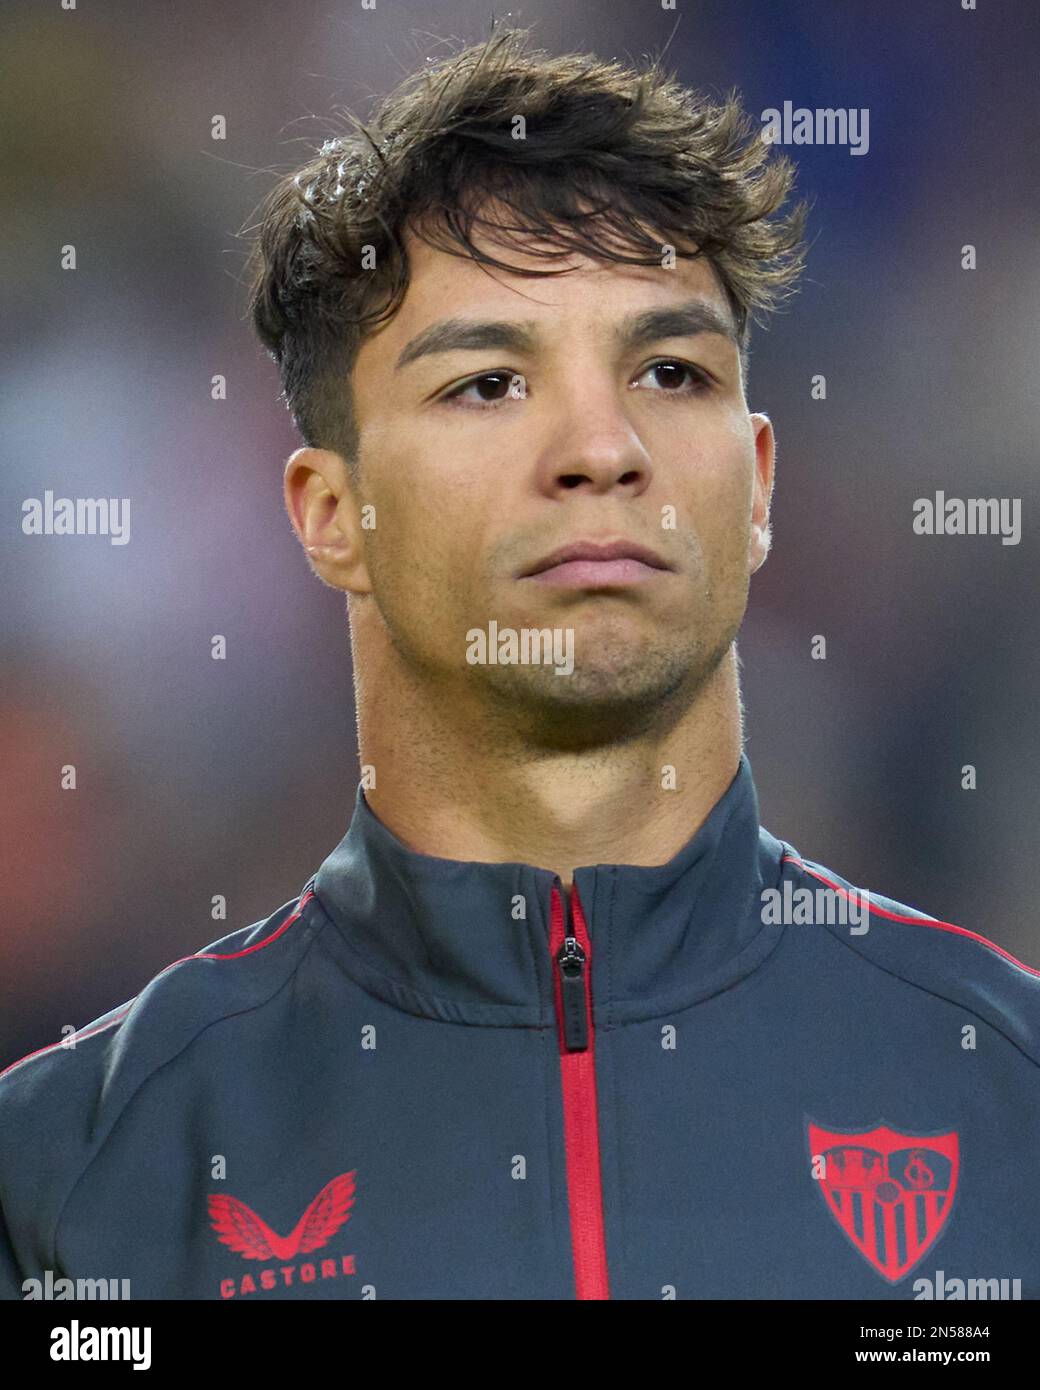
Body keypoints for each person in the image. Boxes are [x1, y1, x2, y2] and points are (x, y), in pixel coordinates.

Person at [2, 28, 1038, 1303]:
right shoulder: (66, 1173)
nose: (600, 449)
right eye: (489, 383)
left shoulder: (1007, 1090)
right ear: (332, 515)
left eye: (670, 371)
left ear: (758, 485)